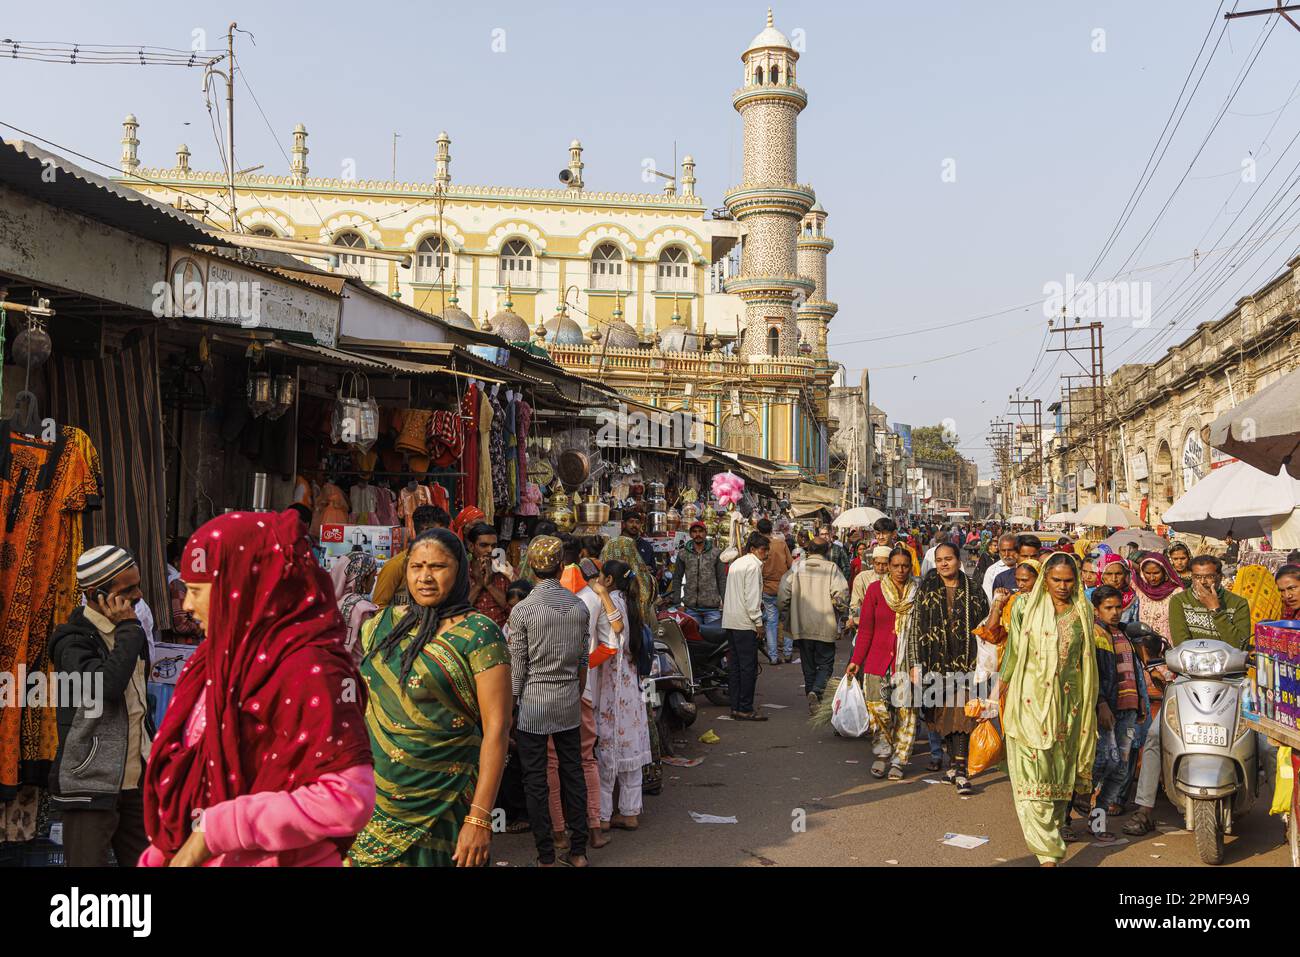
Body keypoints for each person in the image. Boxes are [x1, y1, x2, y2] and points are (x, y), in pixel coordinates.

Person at [141, 511, 376, 867]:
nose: (187, 605)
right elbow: (193, 773)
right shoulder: (215, 659)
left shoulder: (313, 670)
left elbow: (348, 798)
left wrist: (219, 827)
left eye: (197, 590)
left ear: (243, 585)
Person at [349, 526, 510, 866]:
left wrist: (480, 818)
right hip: (374, 801)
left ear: (460, 570)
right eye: (416, 567)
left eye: (437, 567)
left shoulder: (479, 634)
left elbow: (497, 730)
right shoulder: (380, 626)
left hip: (445, 801)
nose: (424, 577)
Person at [1124, 554, 1250, 837]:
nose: (1203, 583)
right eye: (1197, 577)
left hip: (1230, 681)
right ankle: (1144, 809)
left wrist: (1216, 609)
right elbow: (1182, 643)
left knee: (1259, 742)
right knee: (1157, 735)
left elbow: (1239, 646)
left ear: (1219, 576)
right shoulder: (1181, 602)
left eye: (1209, 577)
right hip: (1188, 679)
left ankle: (1282, 814)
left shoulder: (1238, 604)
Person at [49, 546, 154, 867]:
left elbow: (138, 701)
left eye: (138, 585)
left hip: (137, 781)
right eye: (128, 590)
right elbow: (106, 687)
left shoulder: (130, 632)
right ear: (97, 594)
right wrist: (128, 630)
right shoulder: (72, 641)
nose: (138, 596)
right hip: (91, 783)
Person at [1001, 552, 1098, 865]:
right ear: (1045, 579)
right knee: (1035, 778)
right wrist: (996, 693)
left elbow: (1088, 662)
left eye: (1069, 580)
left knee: (1060, 779)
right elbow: (1013, 654)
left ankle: (1053, 835)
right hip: (1030, 702)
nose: (1063, 586)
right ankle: (1048, 856)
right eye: (1056, 579)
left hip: (1071, 709)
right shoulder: (1023, 608)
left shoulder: (1083, 611)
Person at [506, 535, 592, 867]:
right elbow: (582, 662)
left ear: (532, 567)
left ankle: (546, 855)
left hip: (532, 704)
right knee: (573, 771)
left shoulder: (523, 610)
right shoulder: (578, 607)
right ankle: (579, 850)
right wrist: (575, 689)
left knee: (535, 778)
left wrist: (512, 707)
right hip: (567, 699)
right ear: (560, 566)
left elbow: (518, 667)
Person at [913, 542, 989, 795]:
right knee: (941, 717)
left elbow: (985, 628)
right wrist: (915, 664)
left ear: (959, 560)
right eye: (940, 560)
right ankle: (952, 766)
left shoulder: (974, 591)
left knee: (962, 715)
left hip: (967, 663)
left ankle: (960, 770)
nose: (944, 563)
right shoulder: (926, 589)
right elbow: (916, 629)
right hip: (934, 664)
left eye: (949, 558)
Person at [588, 560, 652, 831]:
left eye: (602, 577)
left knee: (607, 747)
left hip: (613, 684)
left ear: (610, 580)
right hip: (630, 684)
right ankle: (629, 812)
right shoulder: (631, 600)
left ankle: (602, 816)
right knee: (629, 744)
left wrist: (601, 593)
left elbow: (617, 631)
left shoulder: (612, 598)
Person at [845, 546, 919, 780]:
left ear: (910, 567)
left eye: (904, 566)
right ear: (887, 566)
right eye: (895, 566)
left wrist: (919, 664)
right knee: (878, 710)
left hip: (907, 662)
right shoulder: (876, 591)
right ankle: (883, 752)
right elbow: (866, 630)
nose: (900, 570)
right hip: (877, 662)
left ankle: (899, 760)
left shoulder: (918, 592)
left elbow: (922, 631)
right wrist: (856, 660)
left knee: (906, 713)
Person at [1091, 584, 1149, 821]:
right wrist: (1101, 703)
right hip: (1107, 709)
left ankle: (1099, 818)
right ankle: (1072, 813)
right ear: (1097, 610)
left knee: (1121, 766)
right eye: (1108, 608)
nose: (1115, 612)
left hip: (1128, 708)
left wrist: (1141, 702)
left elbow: (1134, 672)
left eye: (1118, 607)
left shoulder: (1125, 633)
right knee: (1101, 763)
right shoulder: (1095, 635)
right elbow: (1094, 675)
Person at [778, 536, 849, 713]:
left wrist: (786, 612)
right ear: (827, 551)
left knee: (808, 664)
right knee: (825, 663)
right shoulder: (831, 568)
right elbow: (841, 594)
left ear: (808, 549)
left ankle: (812, 695)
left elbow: (783, 594)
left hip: (801, 625)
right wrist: (841, 611)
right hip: (825, 624)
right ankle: (817, 691)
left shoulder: (797, 567)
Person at [721, 532, 770, 721]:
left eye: (766, 550)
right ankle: (745, 708)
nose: (765, 553)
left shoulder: (737, 563)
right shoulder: (752, 566)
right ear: (753, 549)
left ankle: (736, 706)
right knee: (748, 668)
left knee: (736, 667)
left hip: (731, 621)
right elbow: (752, 599)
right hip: (744, 622)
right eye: (763, 550)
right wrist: (758, 623)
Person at [372, 504, 442, 607]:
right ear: (426, 530)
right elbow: (378, 608)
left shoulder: (445, 564)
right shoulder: (396, 565)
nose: (445, 538)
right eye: (441, 533)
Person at [600, 513, 657, 628]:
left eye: (637, 522)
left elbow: (652, 569)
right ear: (624, 524)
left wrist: (645, 572)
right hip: (616, 595)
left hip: (635, 596)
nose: (634, 525)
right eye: (631, 521)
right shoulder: (613, 543)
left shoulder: (646, 546)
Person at [669, 521, 727, 628]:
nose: (698, 534)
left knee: (714, 640)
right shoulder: (683, 554)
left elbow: (722, 579)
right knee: (693, 641)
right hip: (690, 608)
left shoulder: (716, 553)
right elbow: (677, 578)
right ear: (690, 534)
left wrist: (726, 603)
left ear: (705, 533)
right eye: (694, 532)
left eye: (700, 531)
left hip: (712, 608)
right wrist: (677, 603)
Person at [329, 550, 379, 665]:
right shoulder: (364, 610)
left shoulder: (327, 605)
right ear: (363, 578)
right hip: (357, 673)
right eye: (373, 575)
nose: (374, 580)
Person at [758, 517, 794, 664]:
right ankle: (788, 653)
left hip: (767, 588)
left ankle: (773, 656)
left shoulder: (758, 547)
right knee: (786, 621)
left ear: (759, 531)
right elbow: (791, 564)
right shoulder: (780, 543)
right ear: (771, 529)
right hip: (783, 587)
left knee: (771, 623)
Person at [1132, 551, 1184, 644]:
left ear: (1165, 571)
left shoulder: (1177, 592)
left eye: (1156, 573)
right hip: (1142, 646)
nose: (1152, 578)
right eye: (1148, 573)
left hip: (1167, 644)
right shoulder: (1139, 589)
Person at [466, 522, 511, 626]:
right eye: (483, 545)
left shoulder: (505, 572)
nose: (490, 550)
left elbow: (515, 611)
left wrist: (490, 585)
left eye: (494, 546)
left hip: (500, 635)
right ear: (471, 547)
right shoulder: (462, 573)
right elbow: (457, 612)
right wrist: (478, 585)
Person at [163, 540, 202, 642]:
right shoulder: (177, 583)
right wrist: (199, 628)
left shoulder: (168, 578)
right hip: (183, 644)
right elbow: (181, 624)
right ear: (177, 560)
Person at [848, 546, 890, 633]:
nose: (881, 568)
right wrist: (853, 619)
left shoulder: (895, 580)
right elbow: (855, 604)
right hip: (865, 624)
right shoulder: (862, 578)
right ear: (873, 563)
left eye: (885, 564)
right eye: (877, 564)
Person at [982, 533, 1019, 602]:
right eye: (1003, 550)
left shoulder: (1023, 567)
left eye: (1010, 550)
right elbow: (988, 599)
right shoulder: (992, 571)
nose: (1006, 554)